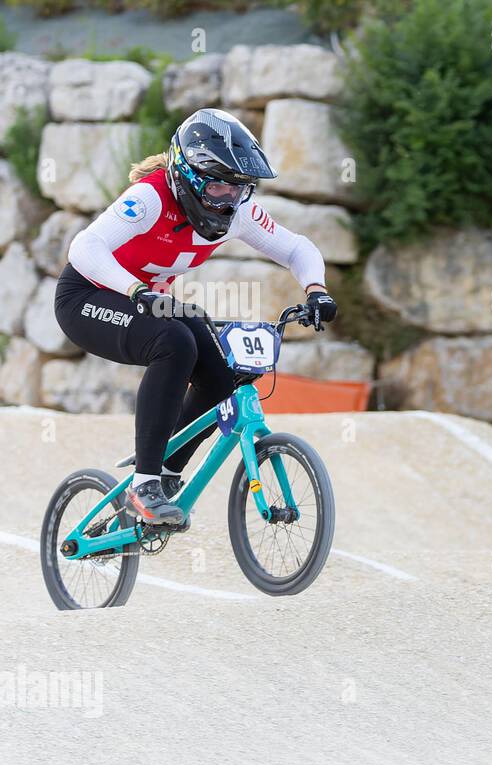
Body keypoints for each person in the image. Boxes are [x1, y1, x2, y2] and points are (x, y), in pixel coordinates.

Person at [57, 108, 337, 526]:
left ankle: (167, 470)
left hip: (146, 301)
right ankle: (144, 482)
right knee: (174, 342)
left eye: (240, 188)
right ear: (188, 175)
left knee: (223, 372)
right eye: (220, 186)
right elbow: (85, 248)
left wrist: (316, 290)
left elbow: (297, 249)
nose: (230, 199)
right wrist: (135, 290)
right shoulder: (151, 198)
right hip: (88, 298)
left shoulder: (238, 213)